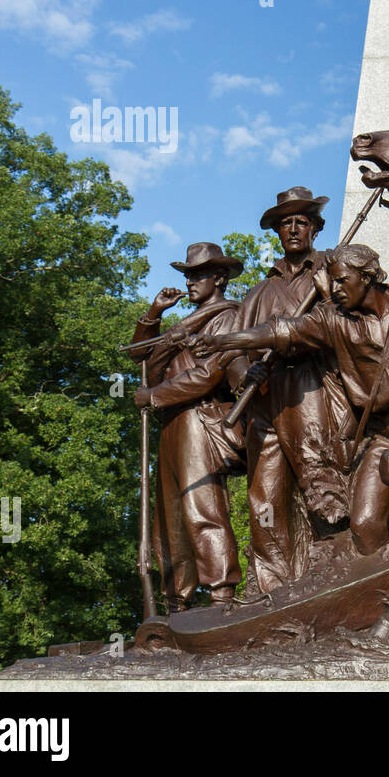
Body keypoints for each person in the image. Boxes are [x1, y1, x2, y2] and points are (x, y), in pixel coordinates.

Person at [191, 245, 389, 555]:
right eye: (332, 282)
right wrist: (220, 341)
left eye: (341, 281)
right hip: (387, 435)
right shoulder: (332, 319)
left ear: (367, 277)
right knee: (365, 526)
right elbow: (281, 330)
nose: (334, 289)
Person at [224, 186, 340, 593]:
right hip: (265, 399)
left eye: (301, 221)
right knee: (266, 497)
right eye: (285, 223)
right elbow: (235, 348)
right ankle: (272, 589)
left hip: (312, 388)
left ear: (316, 228)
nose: (293, 229)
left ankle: (330, 579)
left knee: (323, 482)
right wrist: (243, 375)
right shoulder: (259, 293)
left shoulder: (330, 274)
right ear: (276, 231)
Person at [131, 242, 245, 611]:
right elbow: (141, 358)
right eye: (187, 275)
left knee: (203, 507)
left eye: (198, 275)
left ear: (219, 278)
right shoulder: (184, 322)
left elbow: (206, 375)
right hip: (171, 421)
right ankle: (175, 602)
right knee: (168, 519)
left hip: (199, 417)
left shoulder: (227, 317)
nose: (190, 282)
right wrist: (154, 314)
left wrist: (153, 396)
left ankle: (220, 594)